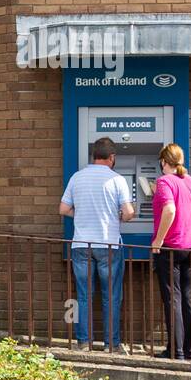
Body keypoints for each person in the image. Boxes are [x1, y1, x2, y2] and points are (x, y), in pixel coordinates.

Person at [59, 136, 135, 351]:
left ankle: (84, 343)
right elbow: (128, 213)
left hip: (81, 245)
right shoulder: (117, 179)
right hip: (108, 244)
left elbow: (63, 209)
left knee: (84, 296)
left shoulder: (77, 177)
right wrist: (119, 216)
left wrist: (82, 215)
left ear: (94, 156)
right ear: (112, 157)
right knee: (111, 297)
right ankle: (112, 344)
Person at [149, 143, 191, 360]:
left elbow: (170, 209)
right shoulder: (189, 181)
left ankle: (176, 352)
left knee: (173, 298)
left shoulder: (164, 181)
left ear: (163, 162)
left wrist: (158, 240)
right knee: (190, 297)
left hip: (172, 246)